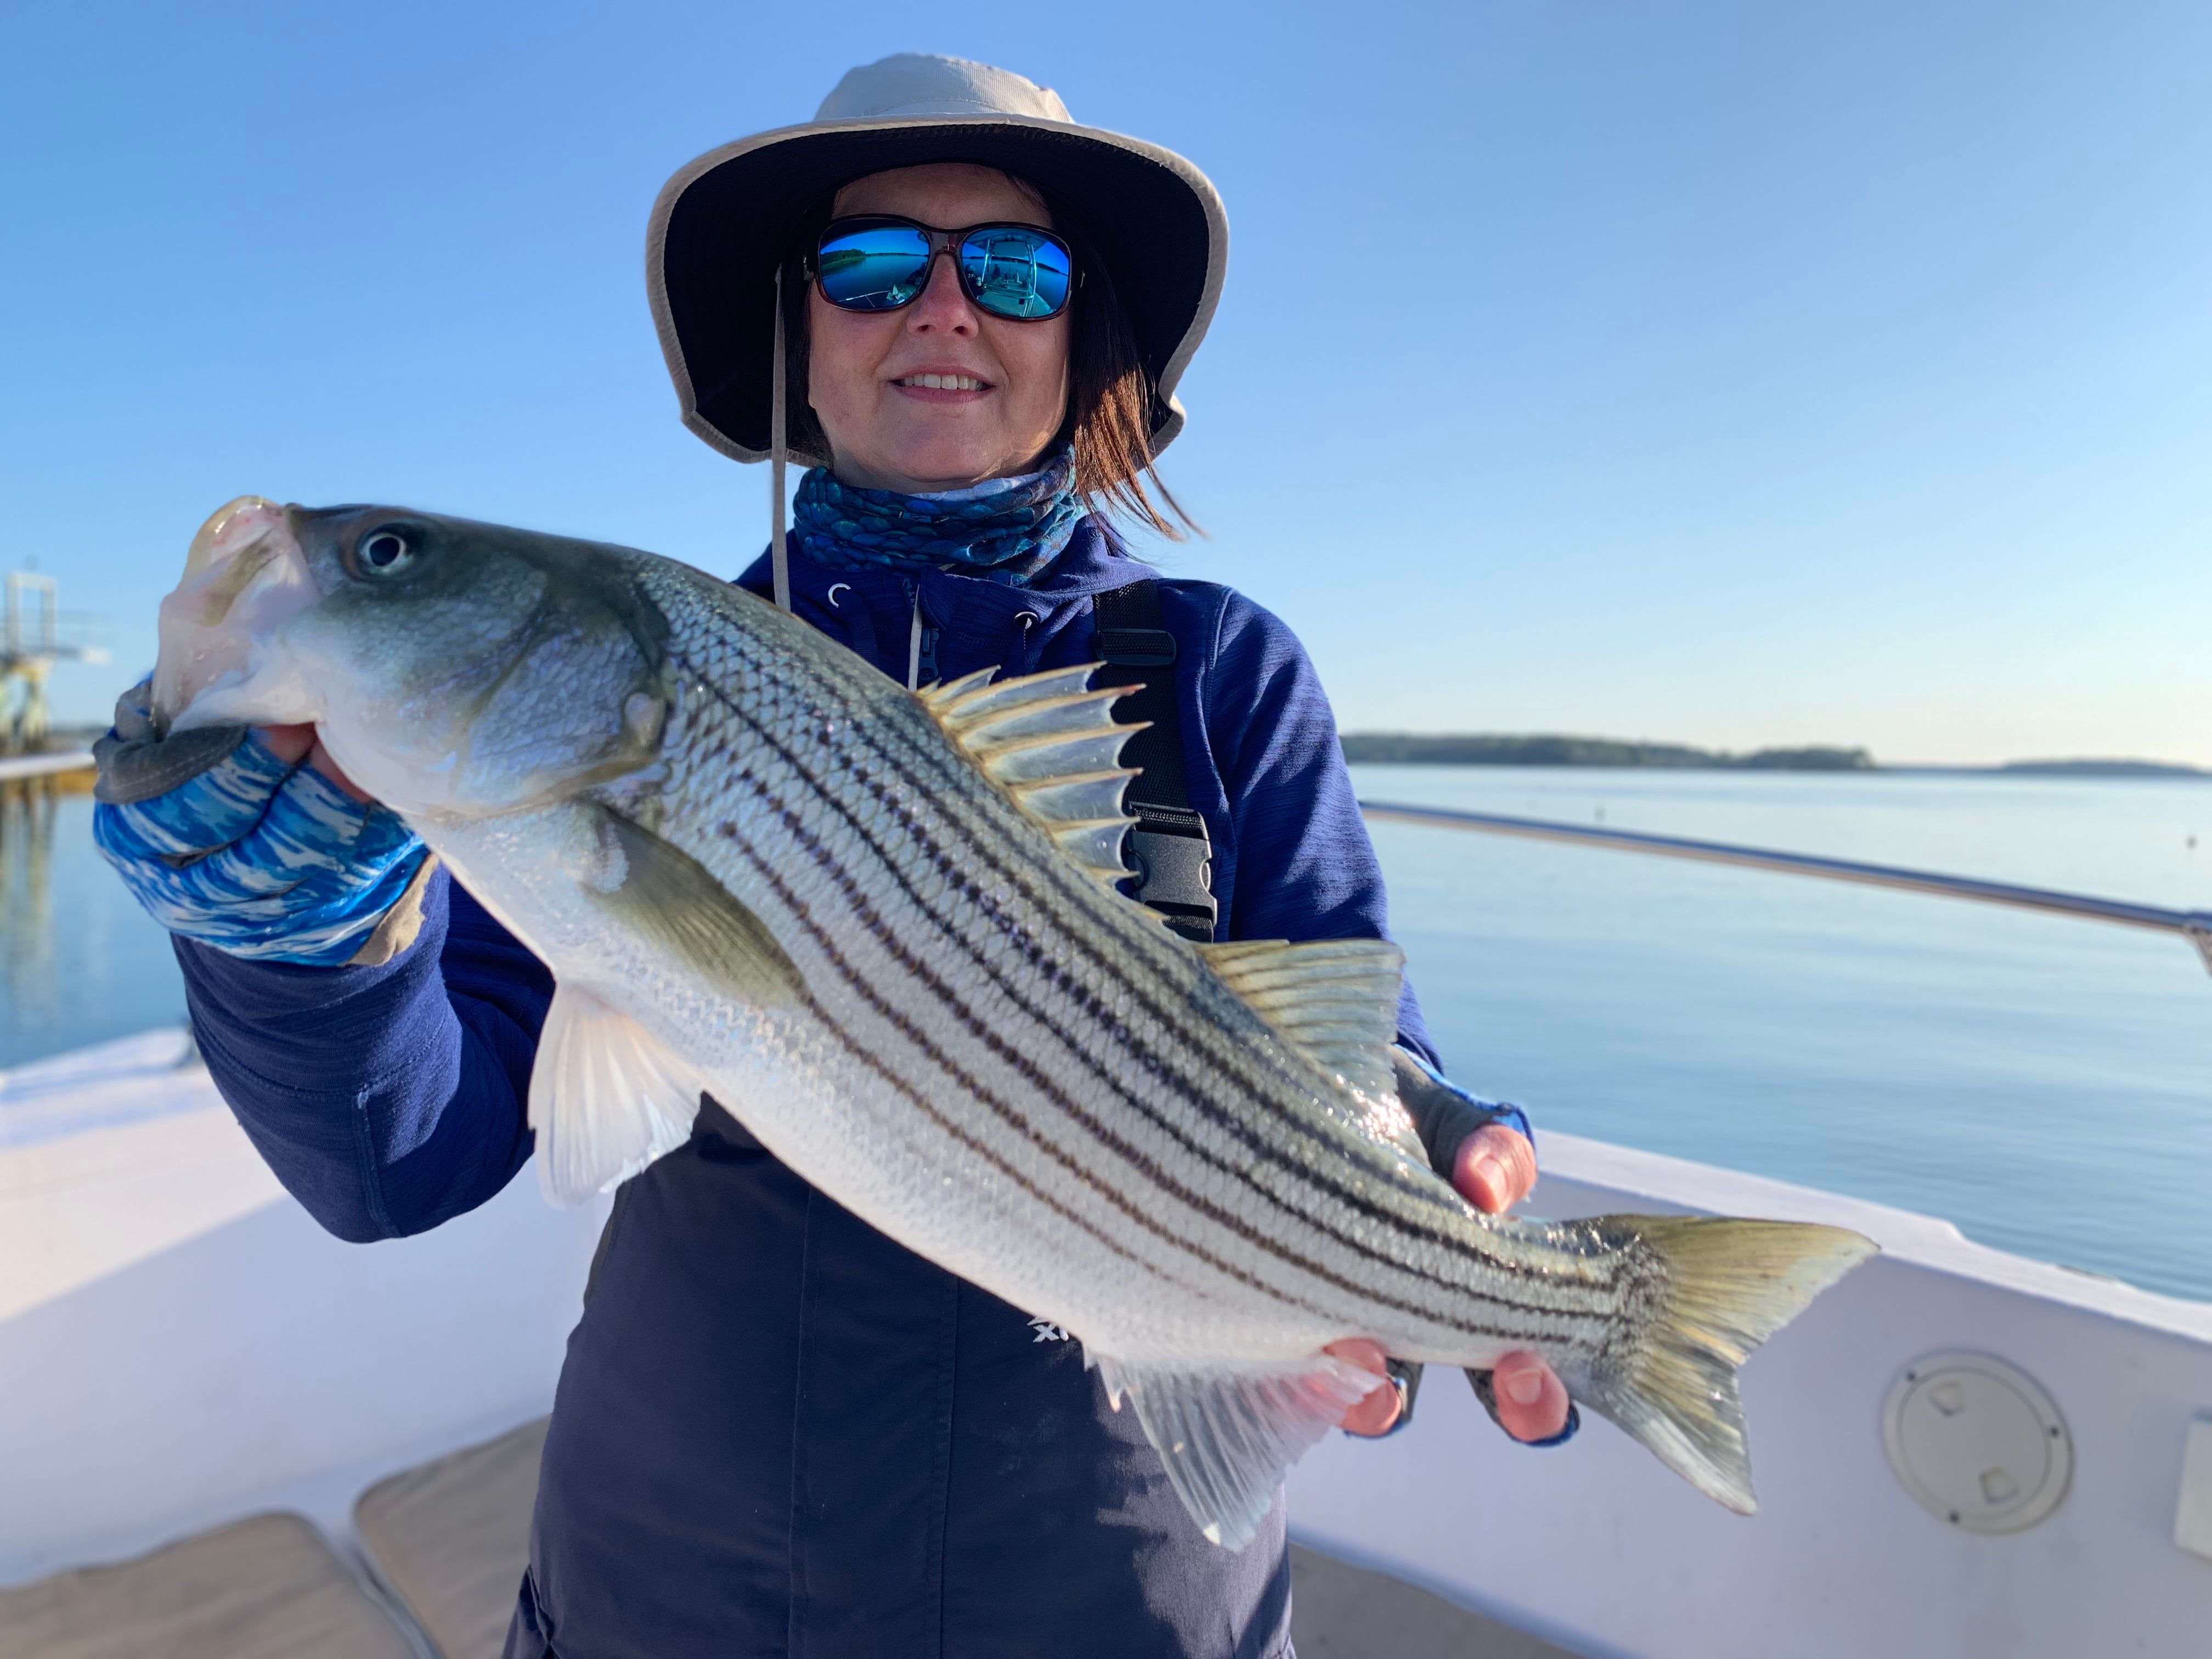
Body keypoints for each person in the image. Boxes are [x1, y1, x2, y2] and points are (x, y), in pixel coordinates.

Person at [95, 53, 1573, 1659]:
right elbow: (399, 1163)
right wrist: (296, 946)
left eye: (1014, 267)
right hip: (676, 1586)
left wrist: (1427, 1156)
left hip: (1126, 1601)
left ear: (1083, 335)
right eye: (869, 265)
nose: (943, 308)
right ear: (798, 331)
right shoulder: (638, 712)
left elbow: (1349, 1029)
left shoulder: (1223, 669)